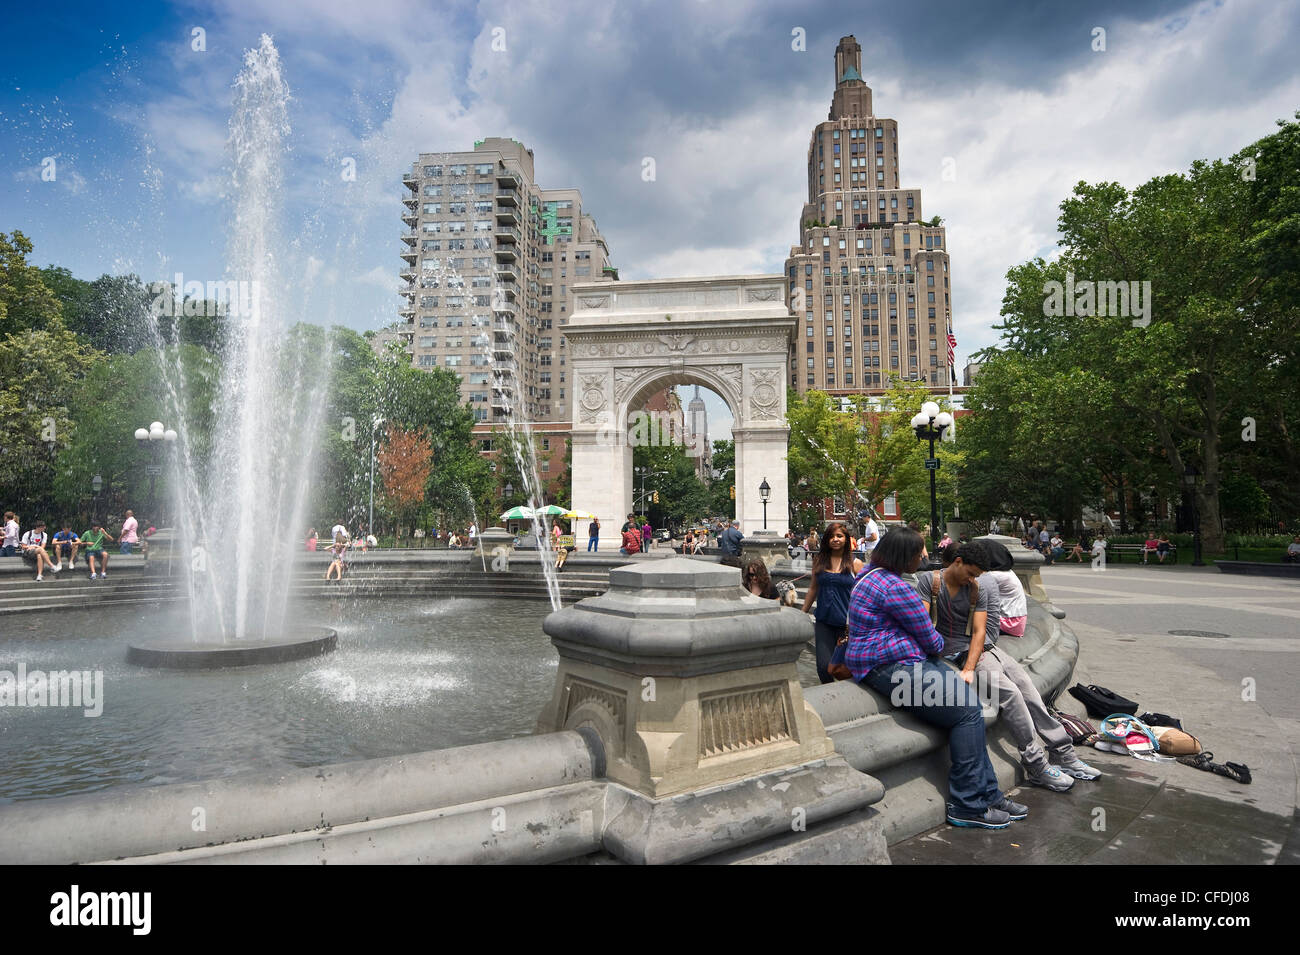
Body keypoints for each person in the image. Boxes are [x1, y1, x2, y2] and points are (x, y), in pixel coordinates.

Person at [846, 527, 1022, 830]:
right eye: (920, 552)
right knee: (968, 713)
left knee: (971, 707)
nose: (925, 556)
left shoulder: (869, 576)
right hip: (891, 668)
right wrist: (931, 646)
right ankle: (967, 804)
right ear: (906, 556)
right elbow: (932, 640)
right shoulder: (896, 587)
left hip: (886, 662)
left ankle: (989, 794)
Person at [919, 541, 1101, 790]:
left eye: (978, 576)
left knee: (1029, 689)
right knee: (1012, 696)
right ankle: (1036, 764)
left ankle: (1062, 752)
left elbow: (981, 632)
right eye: (971, 573)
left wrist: (970, 667)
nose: (973, 579)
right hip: (951, 655)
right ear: (957, 562)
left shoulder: (977, 587)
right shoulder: (930, 582)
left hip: (979, 651)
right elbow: (921, 625)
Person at [801, 521, 864, 683]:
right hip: (824, 622)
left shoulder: (855, 564)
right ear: (826, 540)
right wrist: (802, 613)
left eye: (839, 536)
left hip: (848, 625)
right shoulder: (819, 561)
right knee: (823, 667)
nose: (835, 539)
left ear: (846, 539)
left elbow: (865, 594)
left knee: (845, 668)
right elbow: (813, 589)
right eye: (832, 536)